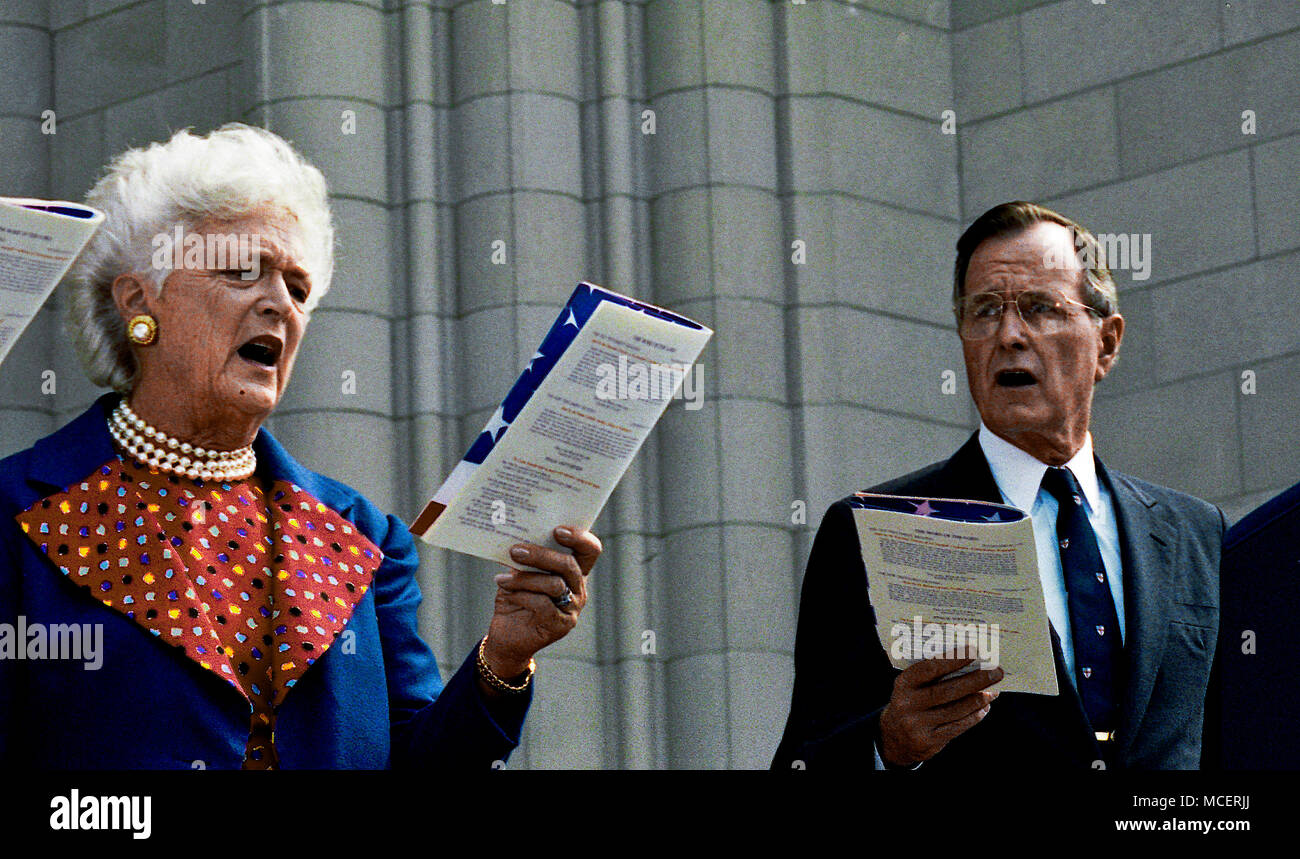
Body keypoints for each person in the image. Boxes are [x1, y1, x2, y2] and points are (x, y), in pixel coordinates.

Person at [0, 124, 601, 769]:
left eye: (298, 288)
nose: (279, 305)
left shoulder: (366, 536)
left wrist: (505, 657)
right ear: (139, 301)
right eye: (241, 271)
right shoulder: (12, 509)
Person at [772, 201, 1224, 771]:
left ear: (1106, 343)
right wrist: (888, 746)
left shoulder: (1195, 533)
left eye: (1040, 308)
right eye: (984, 311)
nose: (1008, 335)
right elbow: (801, 760)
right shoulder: (873, 530)